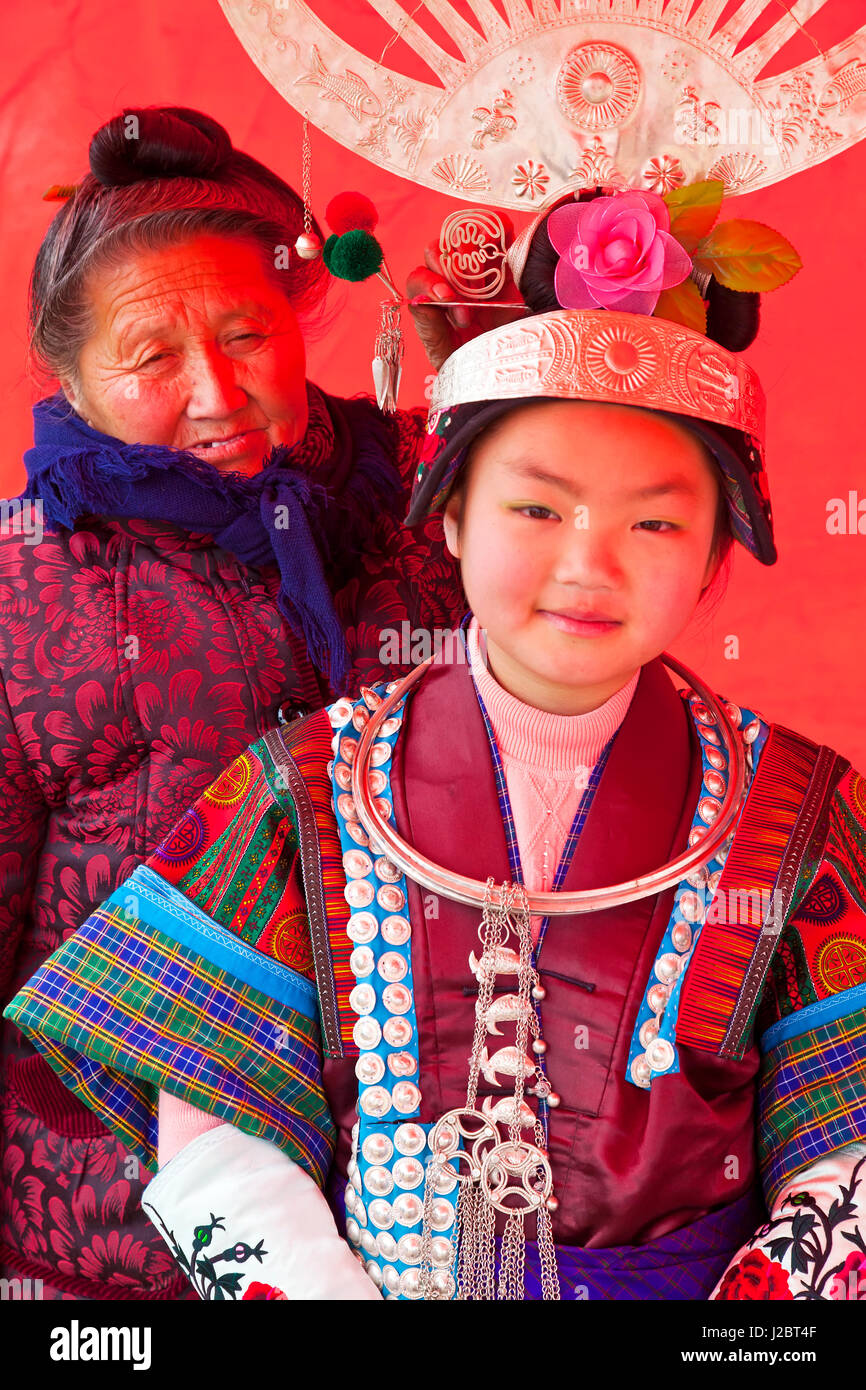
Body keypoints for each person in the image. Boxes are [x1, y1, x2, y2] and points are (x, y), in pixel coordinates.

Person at [7, 186, 866, 1301]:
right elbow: (213, 1126)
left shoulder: (793, 806)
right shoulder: (306, 789)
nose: (584, 565)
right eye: (536, 509)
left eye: (653, 520)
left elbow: (844, 1149)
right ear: (449, 515)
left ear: (713, 558)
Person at [0, 103, 465, 1301]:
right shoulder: (24, 582)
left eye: (247, 332)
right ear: (69, 373)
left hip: (422, 1194)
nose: (214, 390)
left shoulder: (434, 510)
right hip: (119, 1236)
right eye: (152, 357)